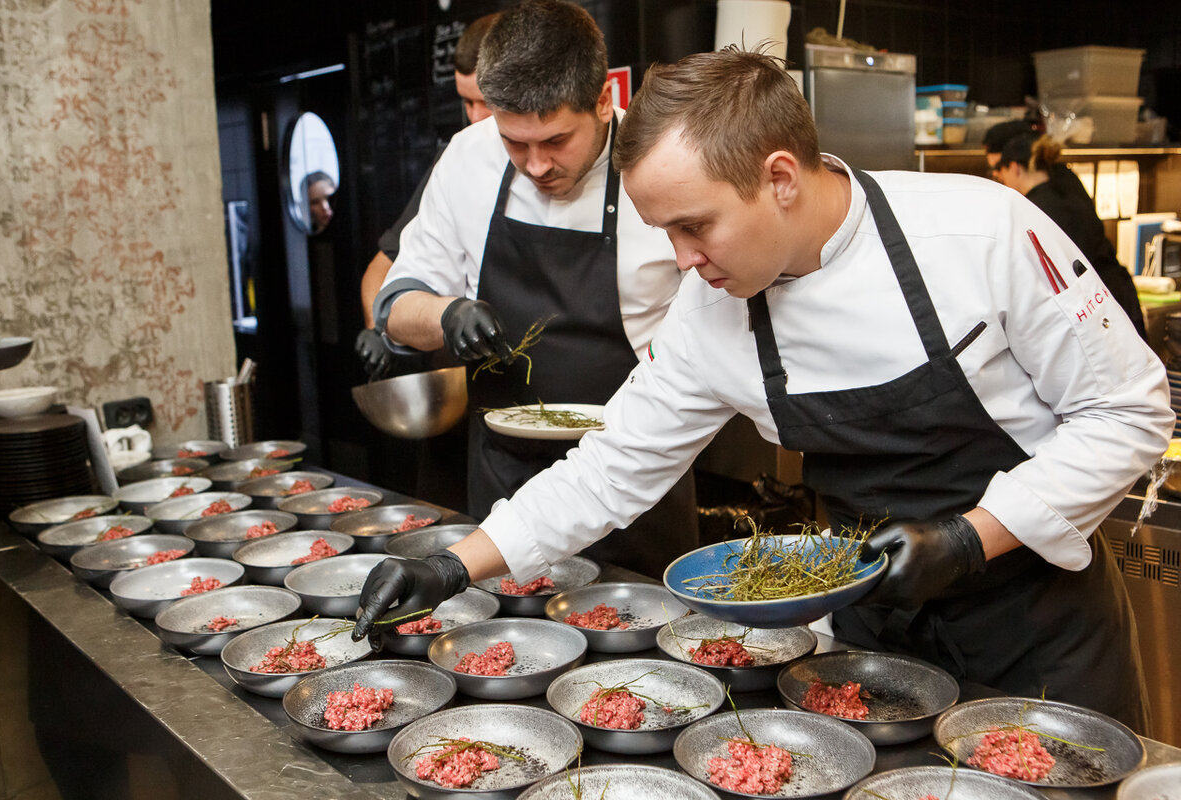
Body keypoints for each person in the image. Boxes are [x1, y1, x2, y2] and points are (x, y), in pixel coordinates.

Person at [355, 47, 1171, 732]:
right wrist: (454, 567)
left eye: (694, 224)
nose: (680, 259)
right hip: (872, 632)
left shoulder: (982, 233)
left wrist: (970, 537)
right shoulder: (713, 310)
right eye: (664, 230)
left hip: (1037, 628)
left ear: (780, 176)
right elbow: (611, 467)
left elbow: (1131, 412)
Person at [364, 0, 700, 579]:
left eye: (556, 141)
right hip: (503, 485)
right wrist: (447, 314)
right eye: (515, 143)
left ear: (602, 101)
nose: (537, 165)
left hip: (634, 480)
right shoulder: (468, 159)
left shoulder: (659, 164)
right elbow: (393, 305)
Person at [357, 11, 501, 335]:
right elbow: (381, 270)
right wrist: (379, 332)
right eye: (467, 102)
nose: (476, 117)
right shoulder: (456, 161)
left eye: (487, 101)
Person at [990, 130, 1147, 339]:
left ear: (1015, 167)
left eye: (1000, 172)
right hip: (1117, 291)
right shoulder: (1068, 181)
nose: (1001, 180)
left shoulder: (1033, 209)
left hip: (1090, 307)